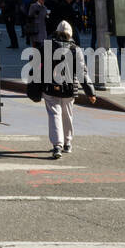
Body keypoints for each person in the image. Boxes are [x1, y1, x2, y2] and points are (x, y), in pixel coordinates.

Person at [41, 20, 96, 159]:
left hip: (50, 86)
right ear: (70, 34)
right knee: (67, 114)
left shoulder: (48, 46)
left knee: (54, 114)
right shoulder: (75, 49)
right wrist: (90, 92)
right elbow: (82, 72)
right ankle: (67, 143)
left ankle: (57, 145)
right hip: (70, 87)